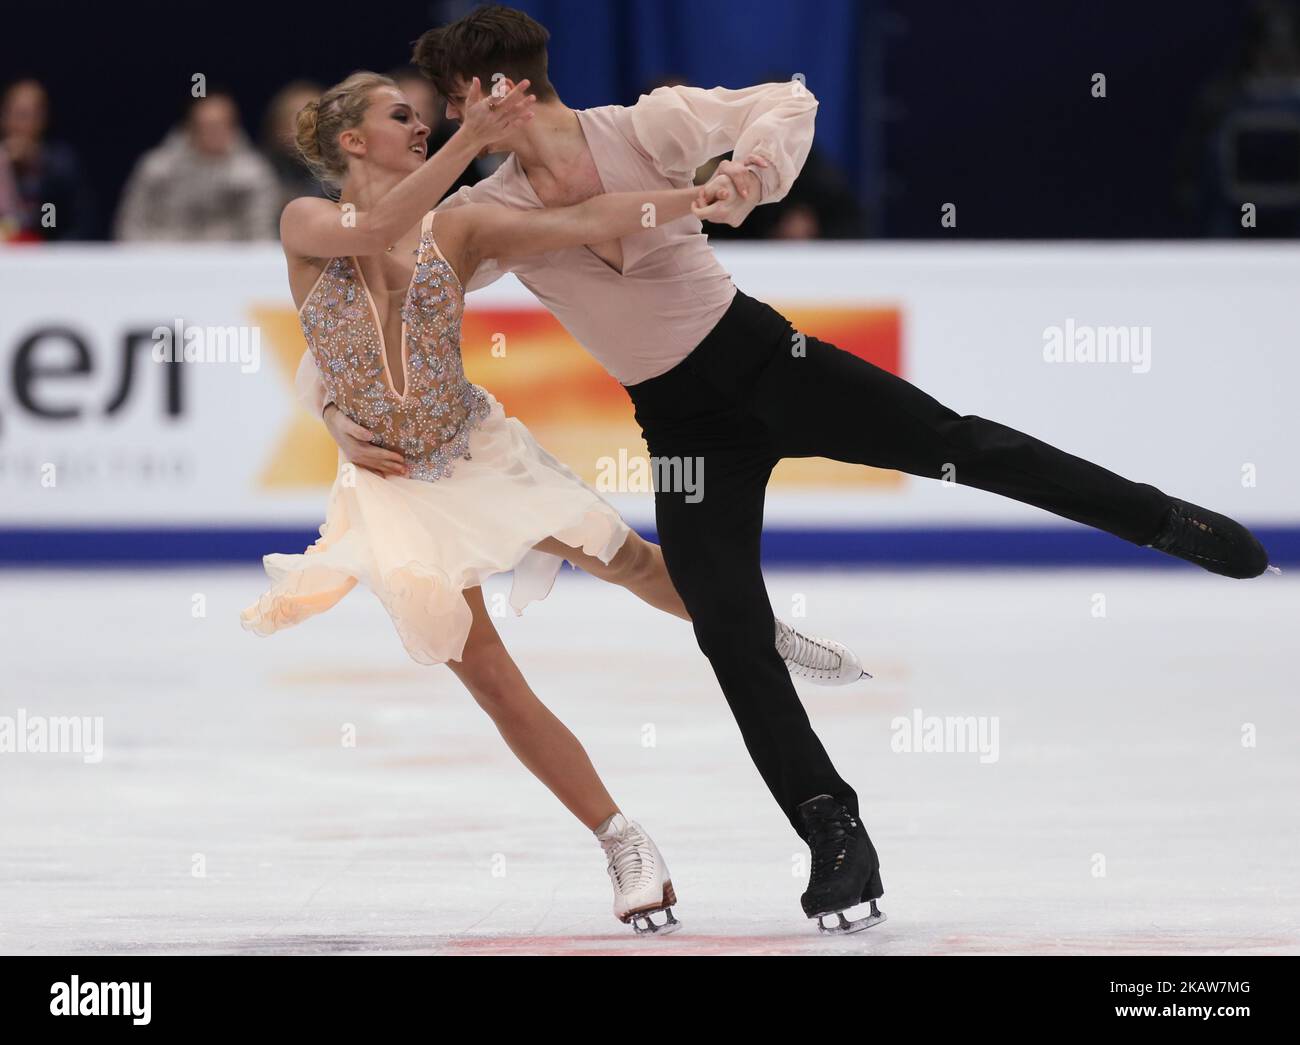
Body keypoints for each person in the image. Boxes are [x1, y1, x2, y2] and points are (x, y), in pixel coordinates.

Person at [299, 6, 1273, 934]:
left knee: (966, 445)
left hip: (771, 363)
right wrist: (341, 412)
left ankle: (1162, 522)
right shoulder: (480, 209)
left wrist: (752, 174)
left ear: (492, 87)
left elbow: (788, 99)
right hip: (684, 431)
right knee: (726, 627)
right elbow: (378, 311)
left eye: (450, 101)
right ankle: (832, 829)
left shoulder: (648, 125)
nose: (441, 121)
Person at [241, 71, 864, 934]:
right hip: (394, 490)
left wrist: (694, 196)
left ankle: (763, 634)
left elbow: (580, 221)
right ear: (351, 141)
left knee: (636, 562)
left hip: (477, 451)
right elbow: (370, 238)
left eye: (426, 118)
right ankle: (621, 841)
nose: (422, 126)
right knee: (491, 675)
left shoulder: (455, 224)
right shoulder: (306, 222)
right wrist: (338, 420)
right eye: (401, 116)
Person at [115, 91, 280, 241]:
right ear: (190, 128)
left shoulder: (254, 173)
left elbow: (261, 232)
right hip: (162, 258)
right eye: (205, 126)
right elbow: (131, 225)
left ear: (233, 127)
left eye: (220, 125)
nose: (213, 133)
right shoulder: (157, 168)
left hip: (229, 262)